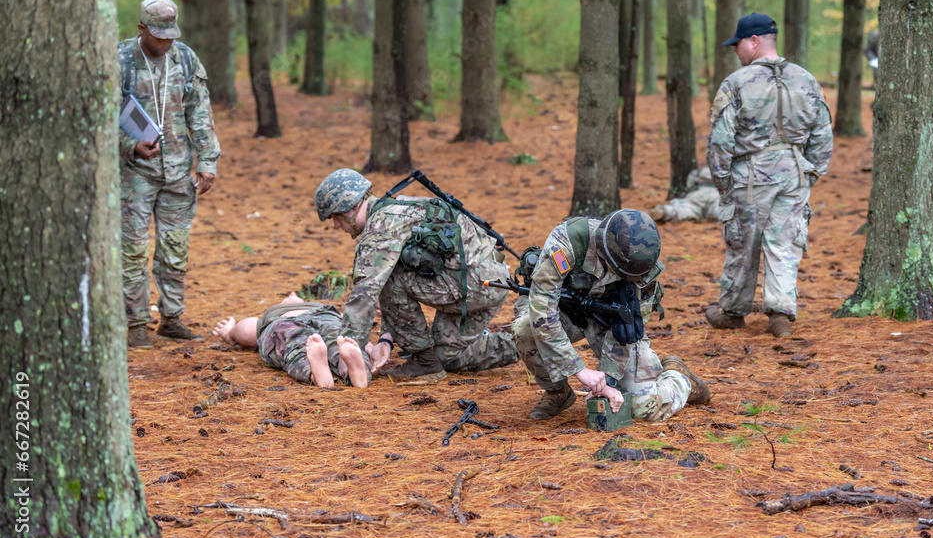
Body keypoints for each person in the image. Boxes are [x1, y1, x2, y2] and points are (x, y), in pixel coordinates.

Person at [314, 169, 519, 382]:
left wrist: (347, 352)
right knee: (446, 358)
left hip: (473, 284)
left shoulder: (380, 227)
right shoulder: (399, 206)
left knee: (385, 276)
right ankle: (528, 341)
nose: (336, 225)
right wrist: (386, 339)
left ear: (353, 206)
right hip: (491, 283)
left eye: (337, 216)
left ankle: (423, 362)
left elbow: (365, 294)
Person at [511, 210, 711, 421]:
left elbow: (630, 326)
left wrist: (609, 379)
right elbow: (542, 310)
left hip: (611, 326)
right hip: (567, 313)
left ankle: (678, 378)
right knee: (525, 328)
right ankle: (558, 391)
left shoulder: (644, 265)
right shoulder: (568, 242)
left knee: (646, 409)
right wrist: (578, 370)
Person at [704, 13, 833, 338]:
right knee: (785, 242)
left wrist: (722, 182)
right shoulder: (806, 80)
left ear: (754, 41)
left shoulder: (736, 83)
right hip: (794, 172)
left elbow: (720, 140)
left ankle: (733, 311)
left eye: (738, 45)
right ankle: (780, 315)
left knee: (743, 243)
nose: (736, 52)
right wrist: (811, 172)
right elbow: (823, 134)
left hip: (750, 175)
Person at [119, 0, 222, 348]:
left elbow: (200, 113)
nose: (165, 42)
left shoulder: (186, 58)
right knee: (132, 249)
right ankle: (135, 325)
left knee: (175, 247)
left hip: (178, 172)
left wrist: (208, 161)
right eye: (158, 36)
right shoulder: (120, 61)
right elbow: (100, 118)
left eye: (170, 35)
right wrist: (128, 145)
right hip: (134, 174)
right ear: (141, 29)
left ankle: (172, 318)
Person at [212, 293, 374, 389]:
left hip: (300, 319)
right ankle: (355, 372)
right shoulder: (275, 313)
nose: (291, 295)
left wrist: (229, 333)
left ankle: (316, 374)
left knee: (293, 342)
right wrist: (367, 347)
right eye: (288, 296)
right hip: (323, 317)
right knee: (336, 338)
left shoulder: (272, 315)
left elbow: (246, 329)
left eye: (294, 295)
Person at [649, 167, 721, 223]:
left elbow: (690, 184)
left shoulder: (699, 172)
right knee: (720, 210)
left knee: (684, 208)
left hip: (696, 195)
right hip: (716, 195)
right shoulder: (726, 171)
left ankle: (665, 212)